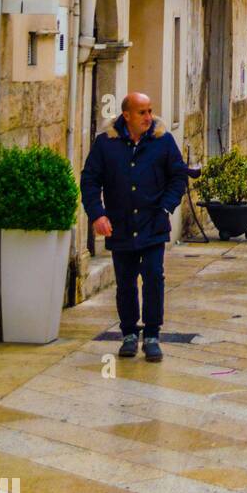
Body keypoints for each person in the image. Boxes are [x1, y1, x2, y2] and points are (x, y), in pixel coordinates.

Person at [80, 92, 188, 361]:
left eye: (150, 111)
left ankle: (152, 335)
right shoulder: (106, 144)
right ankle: (129, 333)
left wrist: (166, 207)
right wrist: (97, 214)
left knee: (153, 277)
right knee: (125, 282)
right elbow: (90, 180)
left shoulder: (163, 142)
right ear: (126, 115)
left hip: (153, 224)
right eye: (142, 112)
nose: (148, 117)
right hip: (121, 225)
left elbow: (178, 177)